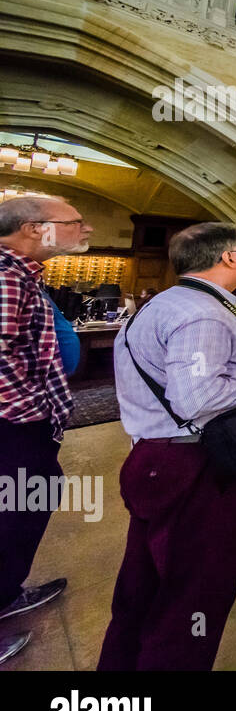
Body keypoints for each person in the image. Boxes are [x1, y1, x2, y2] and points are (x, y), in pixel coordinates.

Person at [99, 222, 236, 670]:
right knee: (195, 595)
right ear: (229, 258)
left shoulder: (169, 303)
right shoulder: (203, 314)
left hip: (158, 453)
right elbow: (197, 398)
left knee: (144, 587)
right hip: (195, 462)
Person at [0, 194, 91, 666]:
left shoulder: (23, 274)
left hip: (24, 422)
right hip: (13, 425)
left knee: (29, 500)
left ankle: (7, 593)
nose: (87, 230)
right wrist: (28, 410)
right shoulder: (5, 276)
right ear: (36, 228)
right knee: (11, 512)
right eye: (75, 222)